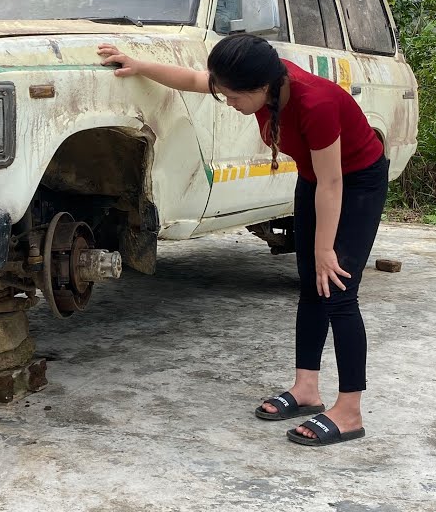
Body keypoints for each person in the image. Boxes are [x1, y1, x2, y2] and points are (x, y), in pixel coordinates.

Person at [97, 34, 388, 447]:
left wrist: (326, 250)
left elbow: (333, 181)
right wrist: (140, 65)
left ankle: (350, 412)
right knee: (311, 286)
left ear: (261, 88)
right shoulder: (265, 82)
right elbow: (198, 81)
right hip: (315, 180)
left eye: (233, 97)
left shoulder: (315, 102)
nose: (228, 104)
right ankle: (306, 389)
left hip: (353, 183)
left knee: (337, 290)